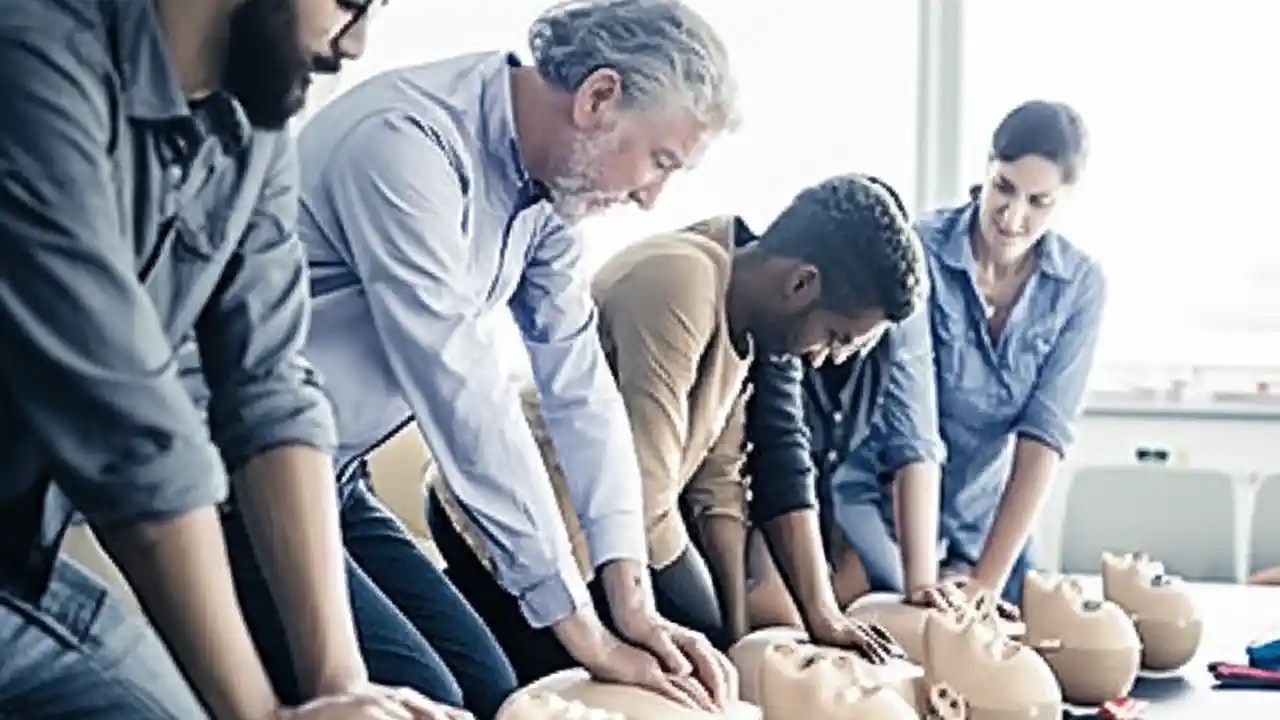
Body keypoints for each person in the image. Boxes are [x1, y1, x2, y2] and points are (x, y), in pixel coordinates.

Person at [286, 0, 740, 713]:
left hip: (336, 479)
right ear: (598, 97)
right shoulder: (405, 144)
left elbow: (580, 391)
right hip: (241, 477)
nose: (653, 198)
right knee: (427, 699)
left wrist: (633, 603)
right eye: (659, 161)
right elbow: (461, 393)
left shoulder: (548, 204)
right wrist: (583, 631)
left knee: (494, 690)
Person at [0, 1, 448, 719]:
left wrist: (342, 686)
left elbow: (268, 385)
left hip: (23, 558)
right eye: (349, 2)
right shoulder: (29, 56)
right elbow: (127, 428)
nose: (357, 45)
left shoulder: (254, 117)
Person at [428, 174, 918, 680]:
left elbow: (719, 485)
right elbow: (645, 495)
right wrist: (708, 634)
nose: (822, 359)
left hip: (590, 546)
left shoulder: (744, 320)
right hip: (500, 524)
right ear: (801, 283)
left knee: (694, 663)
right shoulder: (680, 282)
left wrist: (734, 636)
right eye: (834, 336)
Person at [824, 100, 1106, 608]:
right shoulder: (921, 252)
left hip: (984, 514)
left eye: (1038, 201)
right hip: (887, 502)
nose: (1013, 217)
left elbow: (1044, 437)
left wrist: (984, 584)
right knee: (897, 619)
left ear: (1063, 200)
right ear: (986, 169)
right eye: (1004, 187)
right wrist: (922, 584)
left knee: (1030, 632)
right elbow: (916, 430)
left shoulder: (1080, 286)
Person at [736, 179, 966, 636]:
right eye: (838, 337)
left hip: (817, 517)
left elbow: (915, 444)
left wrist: (920, 583)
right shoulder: (781, 333)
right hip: (753, 522)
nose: (837, 354)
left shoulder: (884, 336)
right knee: (780, 625)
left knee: (885, 599)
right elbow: (776, 463)